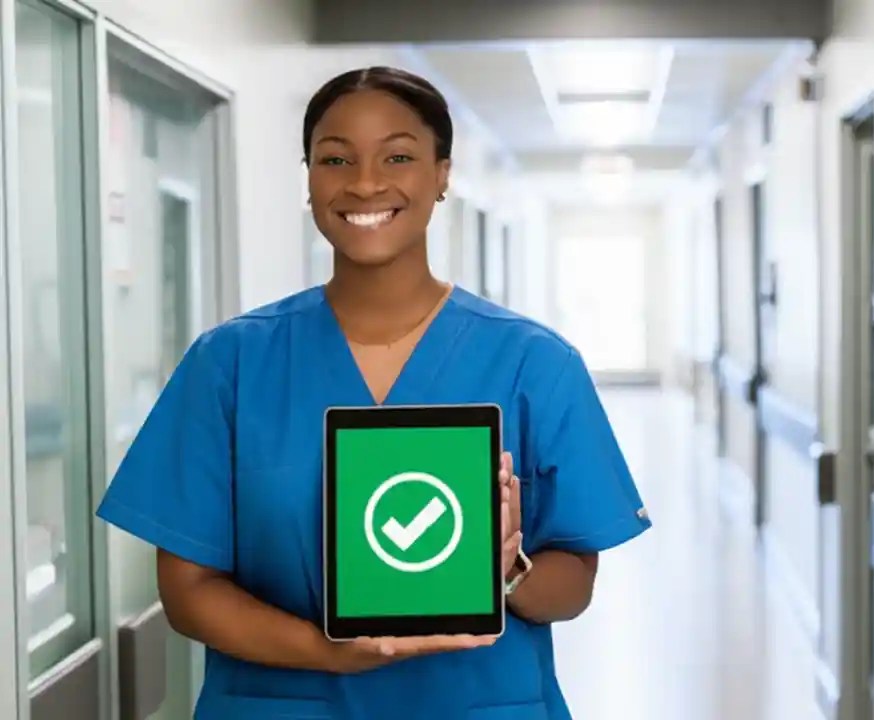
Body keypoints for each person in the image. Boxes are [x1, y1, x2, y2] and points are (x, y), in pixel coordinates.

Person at [95, 66, 652, 719]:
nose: (364, 182)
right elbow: (188, 591)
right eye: (335, 158)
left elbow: (574, 586)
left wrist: (507, 570)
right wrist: (324, 651)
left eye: (398, 156)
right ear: (309, 176)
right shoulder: (231, 364)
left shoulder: (535, 364)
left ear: (442, 173)